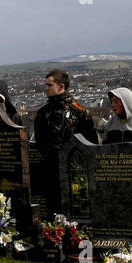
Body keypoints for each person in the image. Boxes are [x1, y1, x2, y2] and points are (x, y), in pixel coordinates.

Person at [32, 69, 96, 217]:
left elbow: (91, 144)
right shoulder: (43, 114)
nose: (46, 88)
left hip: (76, 172)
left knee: (78, 212)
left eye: (50, 85)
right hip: (51, 172)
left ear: (61, 86)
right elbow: (40, 142)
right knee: (53, 212)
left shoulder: (80, 112)